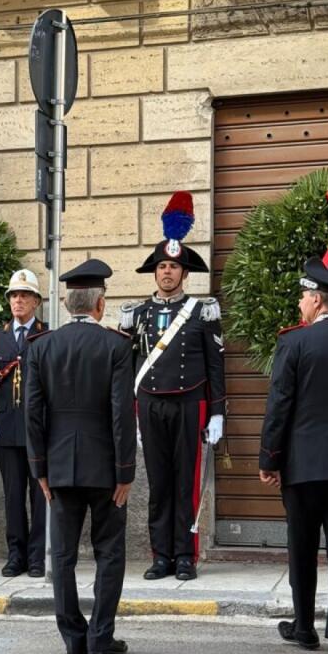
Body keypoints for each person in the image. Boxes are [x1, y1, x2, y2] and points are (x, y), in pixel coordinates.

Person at [26, 259, 136, 654]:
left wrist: (39, 469)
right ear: (100, 304)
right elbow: (122, 413)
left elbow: (32, 413)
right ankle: (100, 637)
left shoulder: (41, 346)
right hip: (105, 466)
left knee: (63, 556)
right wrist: (126, 472)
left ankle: (74, 638)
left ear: (66, 303)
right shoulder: (117, 346)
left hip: (59, 465)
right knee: (110, 553)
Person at [120, 191, 226, 583]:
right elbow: (127, 369)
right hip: (150, 405)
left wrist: (218, 412)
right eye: (162, 266)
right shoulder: (137, 314)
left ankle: (185, 555)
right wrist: (130, 415)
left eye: (174, 267)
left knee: (186, 483)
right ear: (155, 272)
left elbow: (216, 364)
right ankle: (160, 555)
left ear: (184, 273)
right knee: (158, 483)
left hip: (190, 404)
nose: (167, 272)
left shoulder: (202, 311)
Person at [259, 237, 328, 654]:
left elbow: (279, 406)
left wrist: (269, 459)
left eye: (303, 297)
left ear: (316, 300)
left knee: (302, 546)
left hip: (303, 465)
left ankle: (304, 627)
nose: (299, 304)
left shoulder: (294, 343)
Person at [0, 268, 47, 578]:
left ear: (36, 301)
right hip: (7, 427)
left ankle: (37, 557)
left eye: (24, 295)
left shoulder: (47, 335)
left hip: (38, 428)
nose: (18, 300)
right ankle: (16, 555)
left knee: (40, 495)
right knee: (13, 496)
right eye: (14, 296)